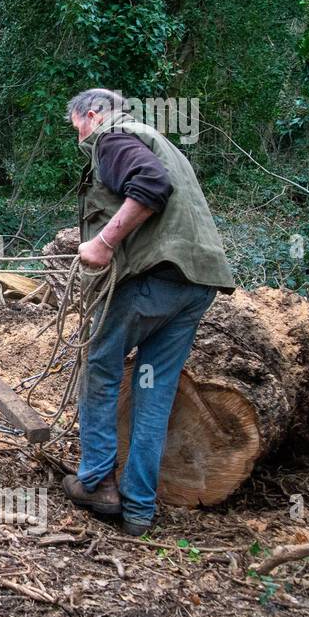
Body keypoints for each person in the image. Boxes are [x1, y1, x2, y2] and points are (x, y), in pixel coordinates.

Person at [61, 88, 235, 536]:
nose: (77, 134)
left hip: (153, 281)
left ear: (92, 114)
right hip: (195, 284)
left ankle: (97, 482)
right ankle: (139, 510)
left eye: (76, 124)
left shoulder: (112, 138)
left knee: (100, 367)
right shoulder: (159, 140)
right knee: (153, 389)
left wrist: (101, 243)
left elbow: (151, 187)